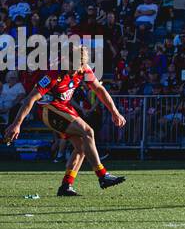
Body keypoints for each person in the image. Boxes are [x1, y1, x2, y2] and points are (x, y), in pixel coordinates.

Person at [3, 45, 127, 197]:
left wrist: (115, 112)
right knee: (88, 131)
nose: (74, 72)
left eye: (78, 68)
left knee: (82, 147)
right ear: (65, 60)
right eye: (72, 67)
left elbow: (99, 90)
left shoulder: (84, 69)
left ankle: (66, 186)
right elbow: (30, 98)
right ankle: (103, 176)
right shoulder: (53, 74)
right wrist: (17, 123)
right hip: (49, 109)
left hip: (64, 108)